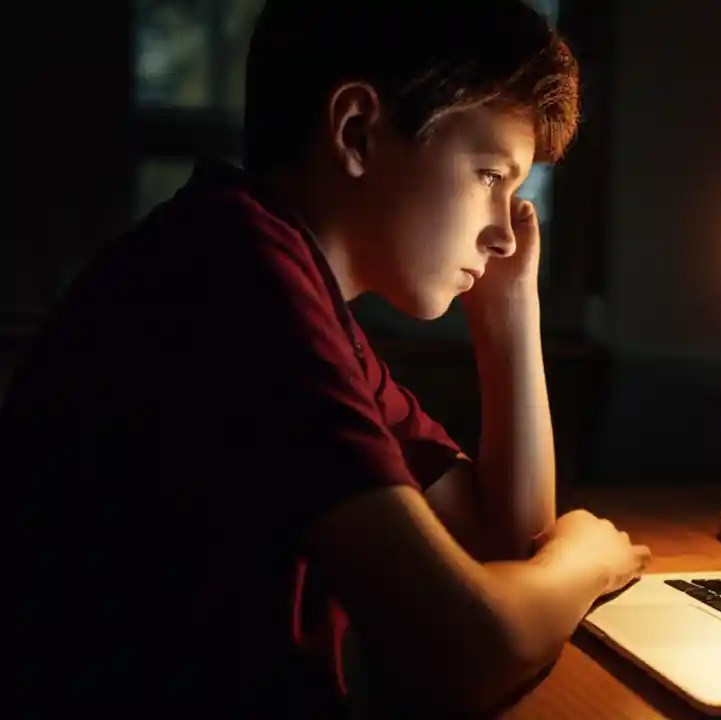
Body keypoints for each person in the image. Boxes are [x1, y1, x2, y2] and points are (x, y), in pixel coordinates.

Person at [2, 1, 650, 717]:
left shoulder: (293, 289)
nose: (505, 233)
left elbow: (506, 536)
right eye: (491, 176)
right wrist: (585, 561)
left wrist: (509, 316)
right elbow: (465, 652)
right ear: (357, 132)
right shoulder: (231, 277)